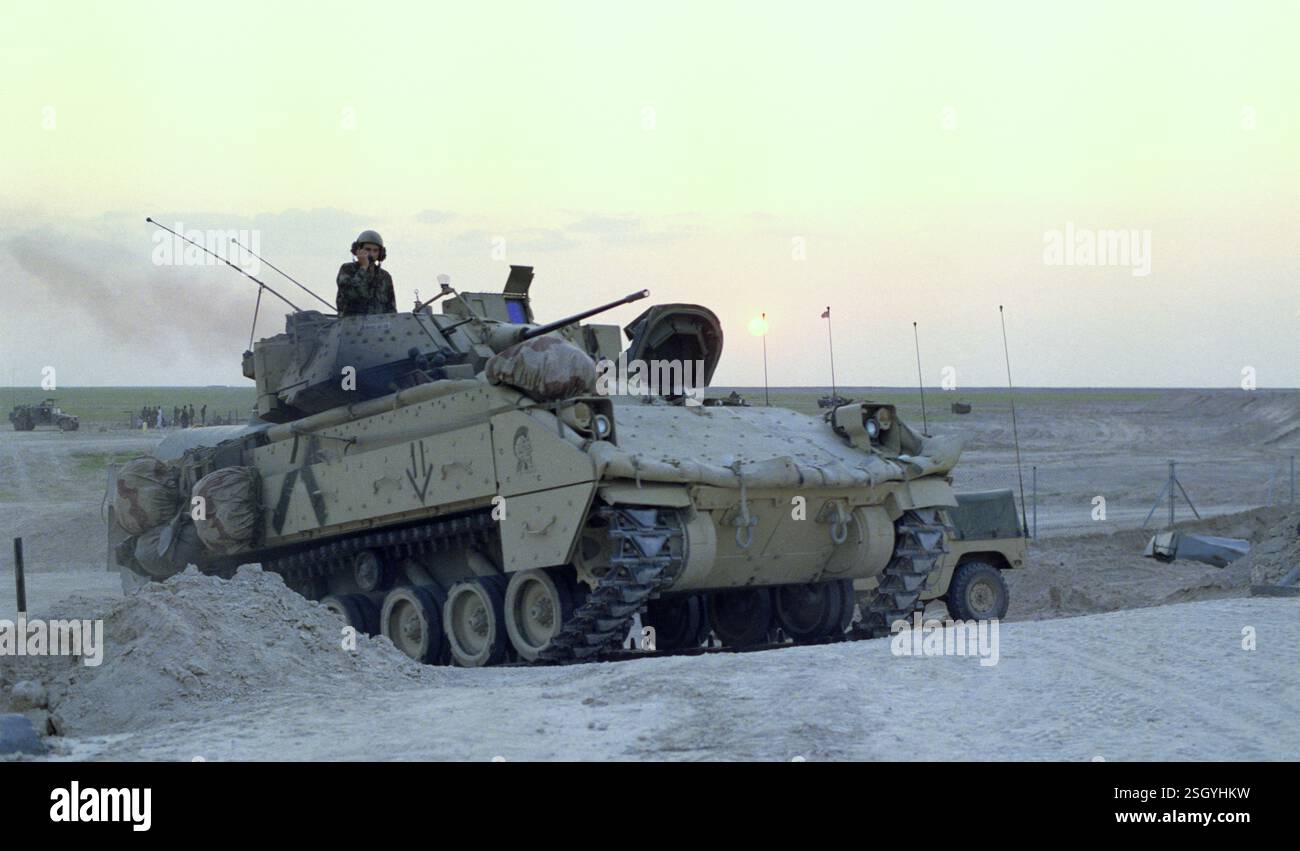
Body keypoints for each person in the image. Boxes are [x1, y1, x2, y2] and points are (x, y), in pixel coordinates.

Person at [336, 230, 396, 317]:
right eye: (367, 249)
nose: (371, 254)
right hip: (351, 325)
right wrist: (363, 267)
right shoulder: (347, 269)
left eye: (375, 251)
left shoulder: (385, 277)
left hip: (378, 326)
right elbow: (351, 294)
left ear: (380, 254)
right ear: (358, 250)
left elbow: (391, 309)